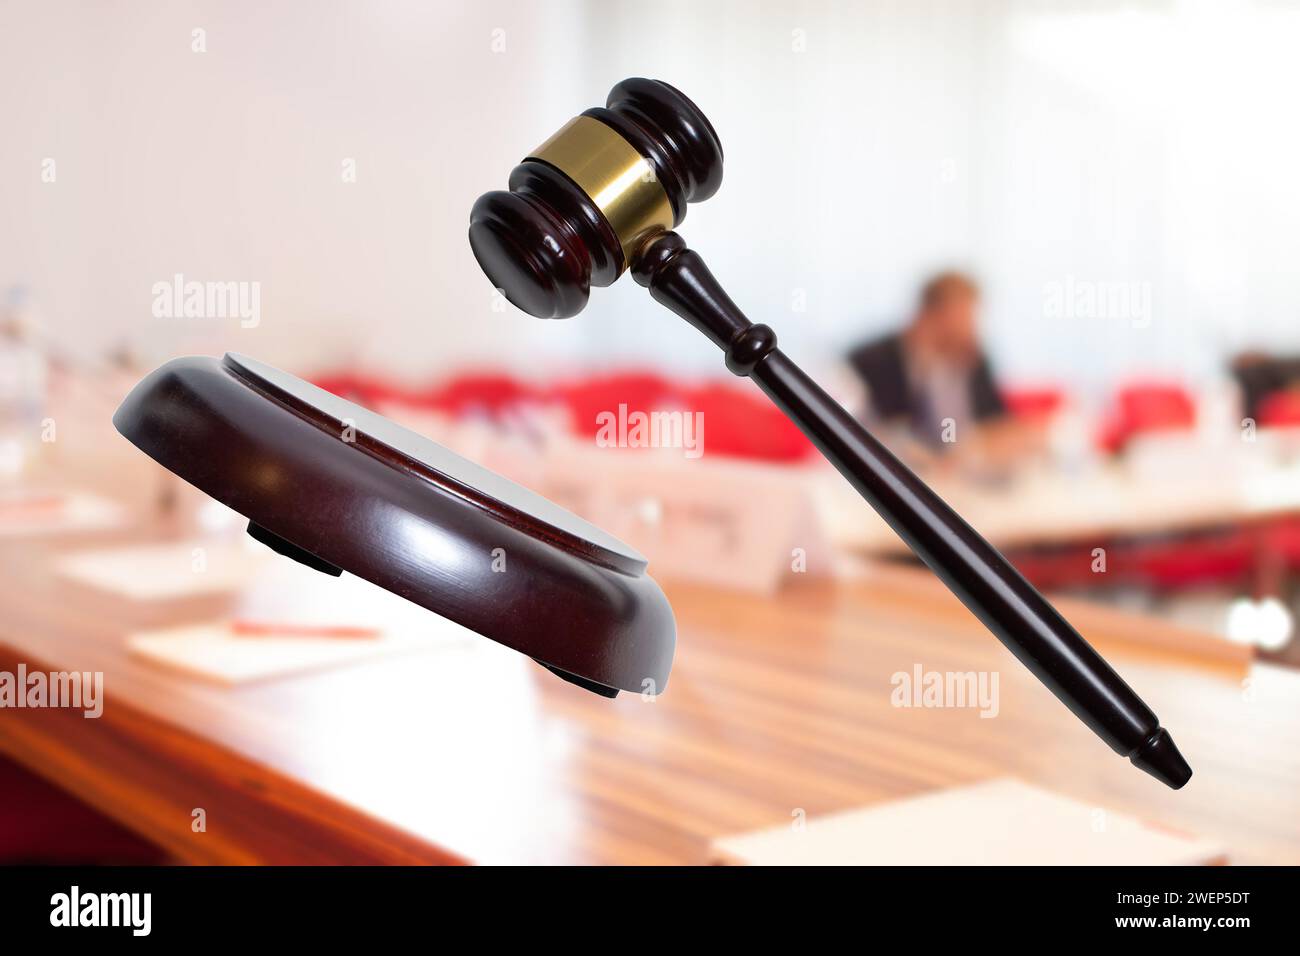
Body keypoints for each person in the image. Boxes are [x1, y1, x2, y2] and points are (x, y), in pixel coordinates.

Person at [846, 271, 1038, 469]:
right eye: (960, 318)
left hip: (964, 477)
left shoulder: (971, 358)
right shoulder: (871, 361)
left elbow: (997, 421)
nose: (968, 328)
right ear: (927, 316)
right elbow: (876, 430)